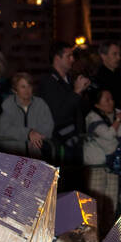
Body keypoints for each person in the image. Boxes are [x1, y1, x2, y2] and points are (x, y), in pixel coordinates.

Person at [37, 42, 90, 191]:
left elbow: (80, 111)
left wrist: (83, 92)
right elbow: (56, 115)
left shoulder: (70, 80)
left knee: (76, 188)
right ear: (57, 58)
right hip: (59, 148)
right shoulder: (48, 82)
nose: (72, 59)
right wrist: (76, 92)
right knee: (61, 190)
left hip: (74, 146)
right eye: (68, 56)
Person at [83, 89, 121, 234]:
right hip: (96, 166)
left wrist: (115, 126)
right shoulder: (92, 118)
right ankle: (92, 237)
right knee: (95, 204)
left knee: (111, 203)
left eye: (112, 98)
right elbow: (109, 134)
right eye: (107, 100)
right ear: (97, 104)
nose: (111, 102)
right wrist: (117, 122)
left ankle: (107, 236)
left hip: (113, 165)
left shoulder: (114, 116)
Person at [0, 72, 55, 158]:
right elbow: (4, 129)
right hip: (12, 155)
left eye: (29, 86)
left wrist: (36, 136)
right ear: (15, 90)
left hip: (36, 155)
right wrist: (28, 134)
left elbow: (49, 126)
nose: (27, 90)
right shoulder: (8, 104)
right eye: (23, 87)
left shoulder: (40, 103)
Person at [91, 41, 121, 105]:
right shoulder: (98, 78)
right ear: (103, 56)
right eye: (114, 54)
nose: (119, 58)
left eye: (119, 54)